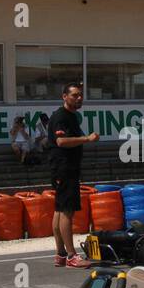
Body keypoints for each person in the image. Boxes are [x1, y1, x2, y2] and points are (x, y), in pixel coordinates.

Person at [48, 83, 99, 267]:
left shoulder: (71, 117)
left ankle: (60, 254)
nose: (79, 98)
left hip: (64, 168)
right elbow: (61, 141)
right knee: (67, 211)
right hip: (64, 168)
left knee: (59, 210)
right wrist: (87, 139)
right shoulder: (61, 116)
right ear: (64, 96)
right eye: (75, 95)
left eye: (80, 96)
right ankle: (71, 256)